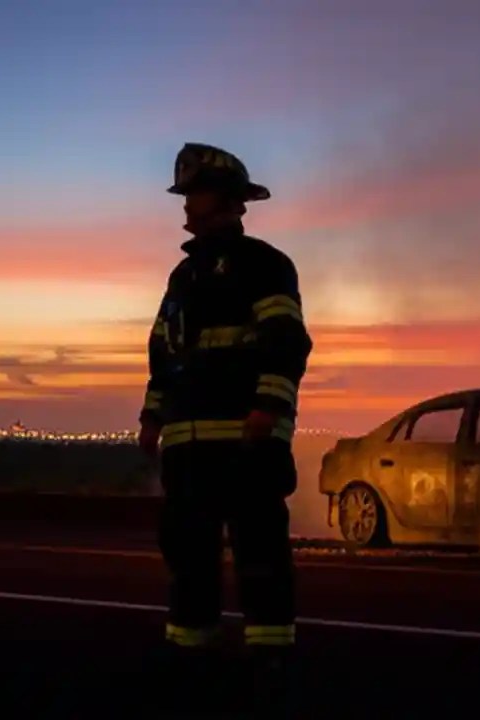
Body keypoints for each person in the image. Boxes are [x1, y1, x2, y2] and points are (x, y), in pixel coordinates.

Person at [138, 142, 312, 713]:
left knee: (260, 553)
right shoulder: (183, 276)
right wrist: (152, 416)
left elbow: (286, 344)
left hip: (247, 443)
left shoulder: (264, 264)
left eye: (194, 193)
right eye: (184, 195)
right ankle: (193, 656)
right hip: (189, 450)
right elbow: (163, 352)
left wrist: (267, 407)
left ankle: (271, 660)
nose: (185, 205)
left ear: (229, 201)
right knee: (189, 557)